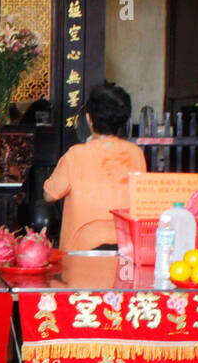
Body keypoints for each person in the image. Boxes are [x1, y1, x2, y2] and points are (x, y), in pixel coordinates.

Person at [41, 83, 147, 251]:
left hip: (81, 249)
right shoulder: (135, 154)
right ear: (123, 120)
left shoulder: (76, 155)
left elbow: (49, 195)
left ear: (89, 119)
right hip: (126, 245)